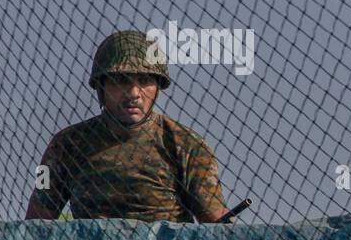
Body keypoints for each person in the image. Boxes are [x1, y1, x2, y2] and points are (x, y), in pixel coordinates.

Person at [25, 30, 231, 223]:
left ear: (157, 87)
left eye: (144, 80)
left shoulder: (187, 145)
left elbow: (217, 225)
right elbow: (36, 222)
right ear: (101, 86)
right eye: (121, 81)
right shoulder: (65, 145)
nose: (134, 93)